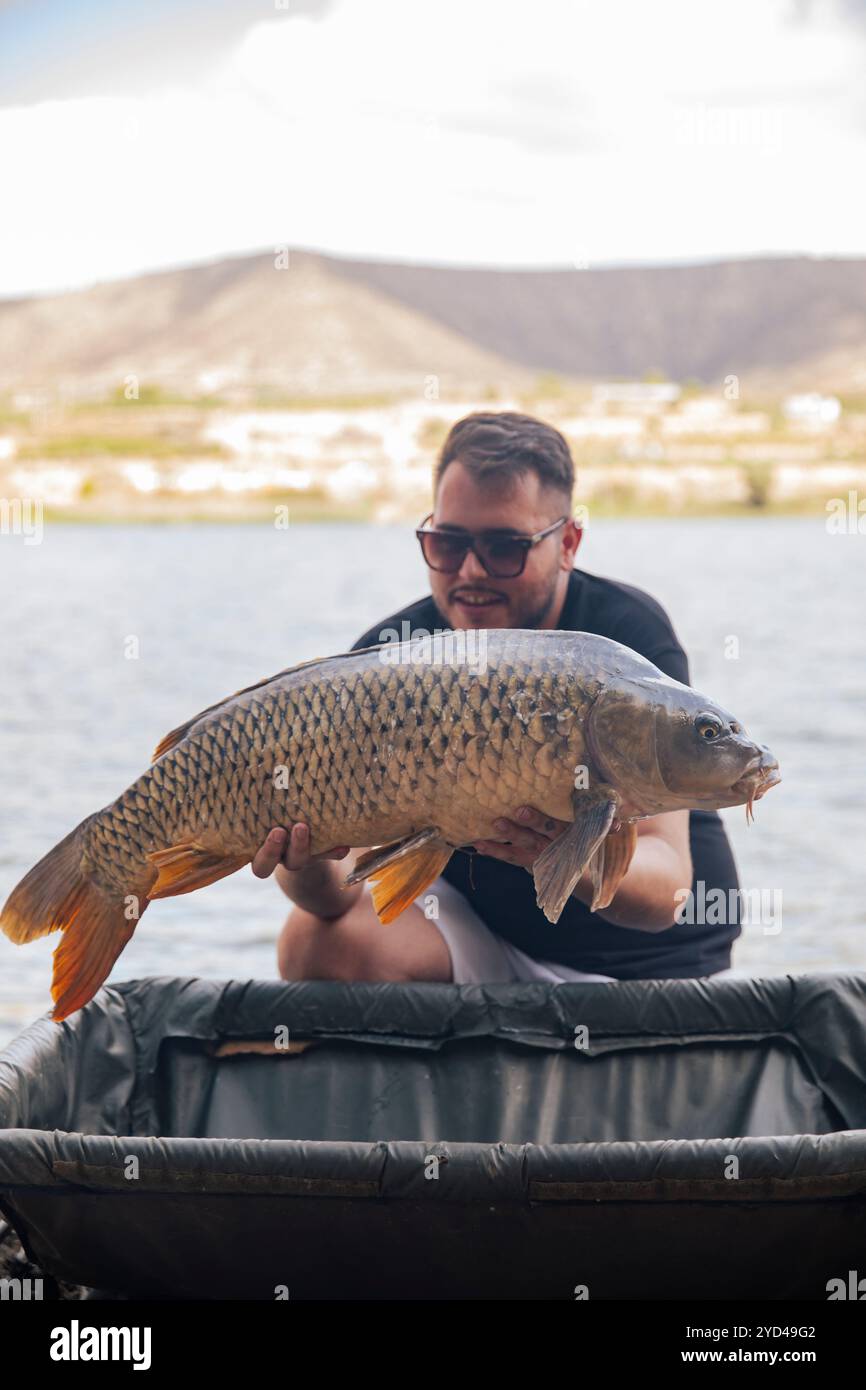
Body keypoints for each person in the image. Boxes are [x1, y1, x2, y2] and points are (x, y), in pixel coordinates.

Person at [254, 411, 741, 985]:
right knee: (313, 944)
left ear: (568, 543)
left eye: (505, 547)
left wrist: (561, 853)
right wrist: (304, 858)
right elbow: (338, 898)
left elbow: (666, 891)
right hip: (487, 945)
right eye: (447, 542)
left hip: (643, 972)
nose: (470, 570)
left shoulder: (621, 644)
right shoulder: (395, 656)